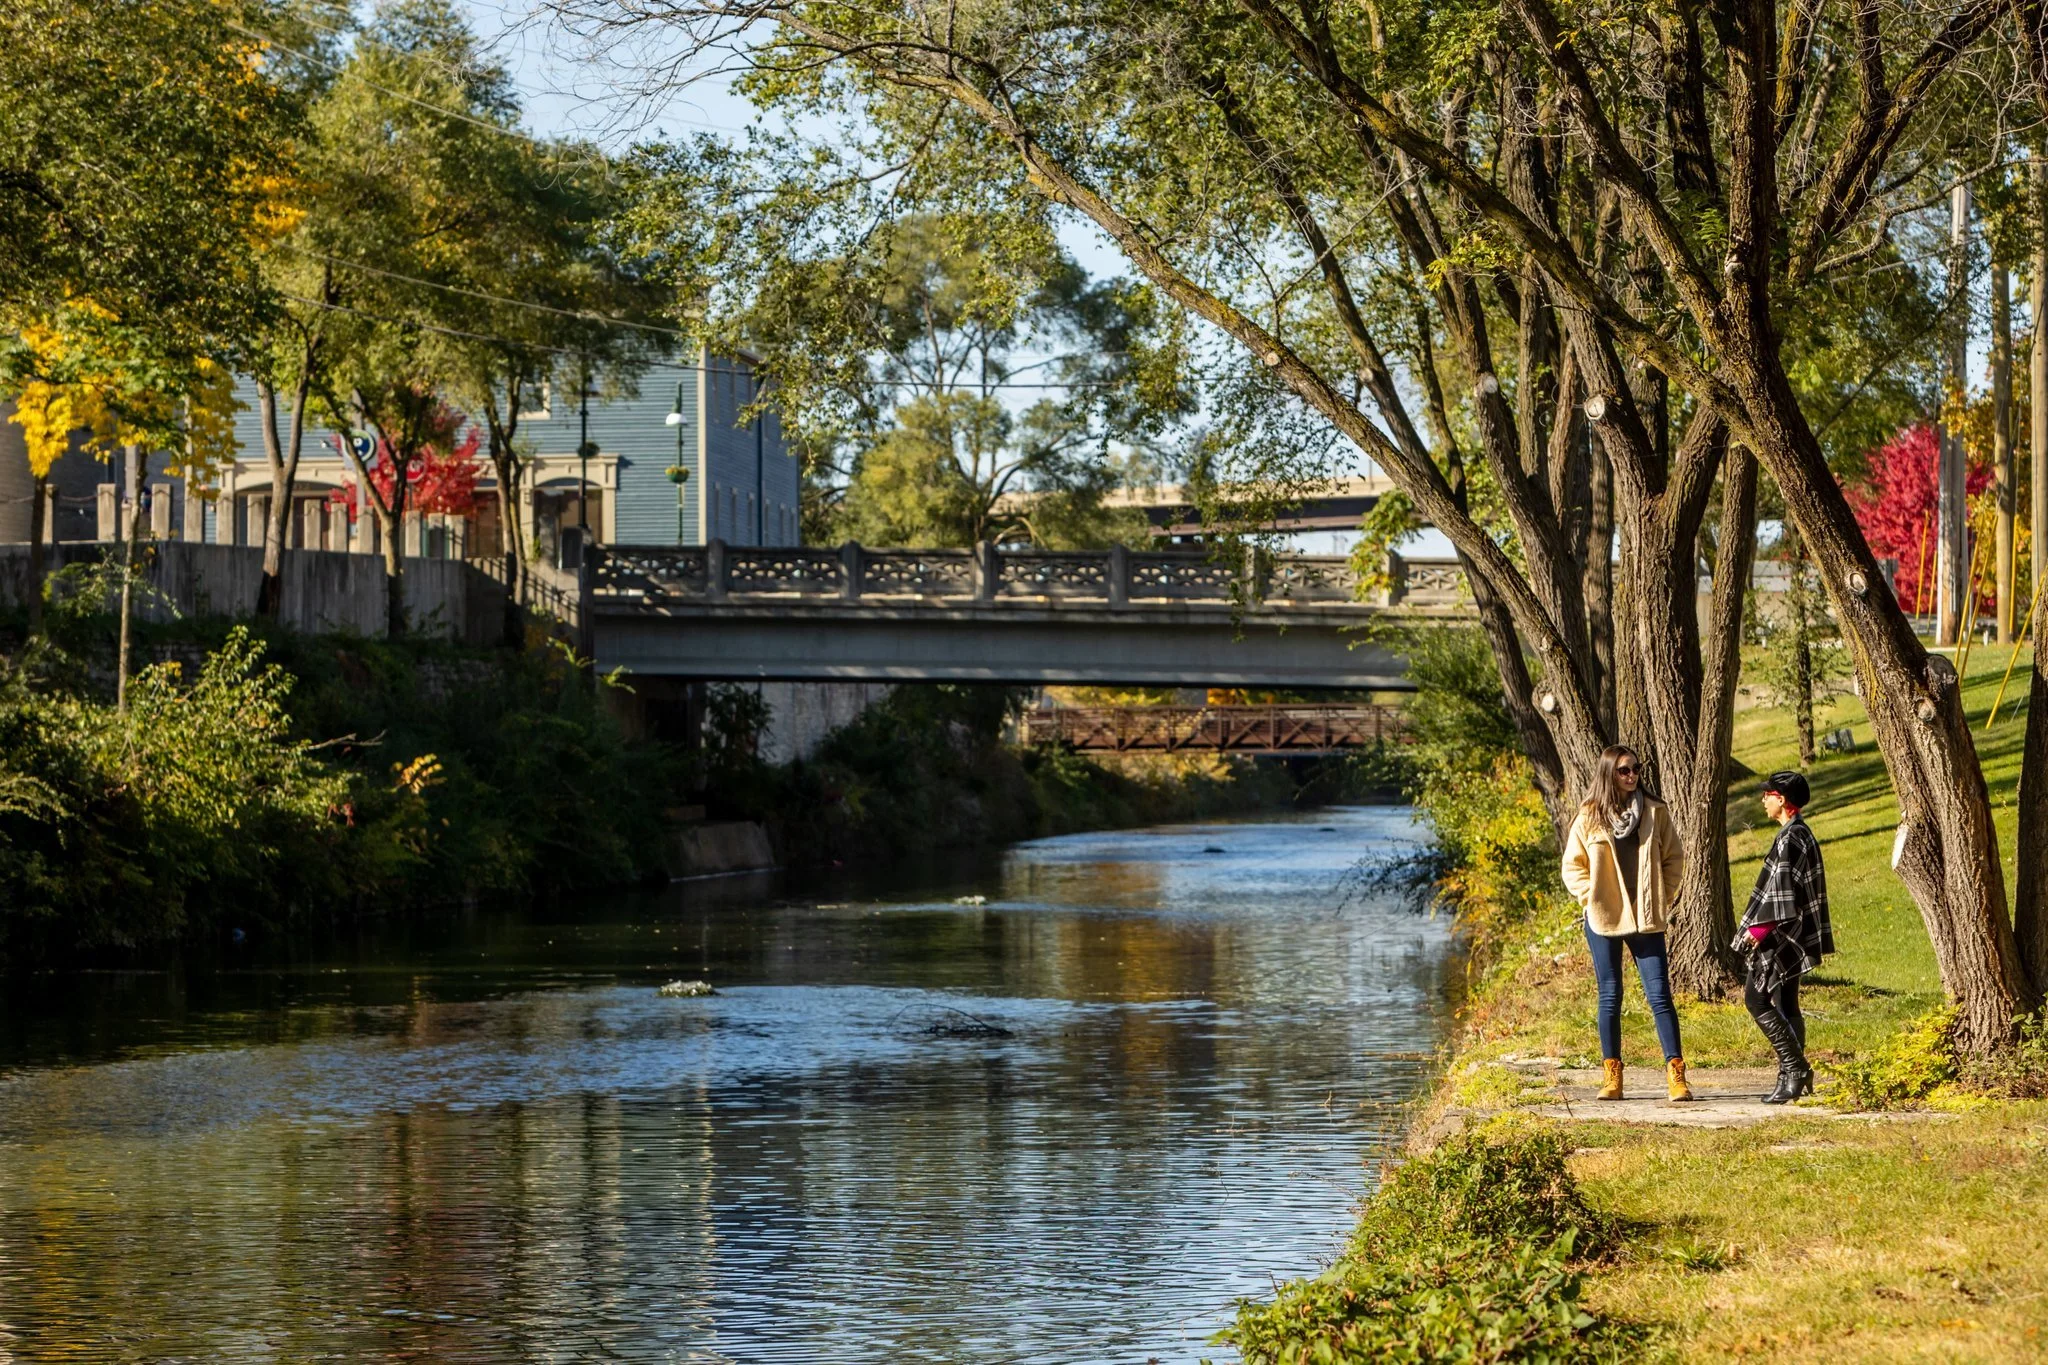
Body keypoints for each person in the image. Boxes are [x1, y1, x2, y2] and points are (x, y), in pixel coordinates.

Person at [1561, 744, 1691, 1103]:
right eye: (1623, 770)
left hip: (1647, 916)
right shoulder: (1589, 816)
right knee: (1610, 995)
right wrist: (1591, 897)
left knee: (1659, 994)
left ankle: (1676, 1075)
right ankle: (1612, 1076)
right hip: (1603, 918)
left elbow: (1673, 857)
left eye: (1635, 768)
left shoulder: (1654, 811)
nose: (1631, 775)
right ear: (1608, 773)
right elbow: (1573, 866)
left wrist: (1663, 895)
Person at [1736, 770, 1835, 1103]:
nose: (1763, 800)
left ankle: (1795, 1069)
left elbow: (1782, 895)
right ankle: (1791, 1076)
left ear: (1782, 800)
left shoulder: (1791, 837)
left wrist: (1757, 931)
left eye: (1767, 794)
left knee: (1756, 999)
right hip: (1792, 934)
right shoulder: (1801, 833)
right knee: (1786, 1001)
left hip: (1779, 936)